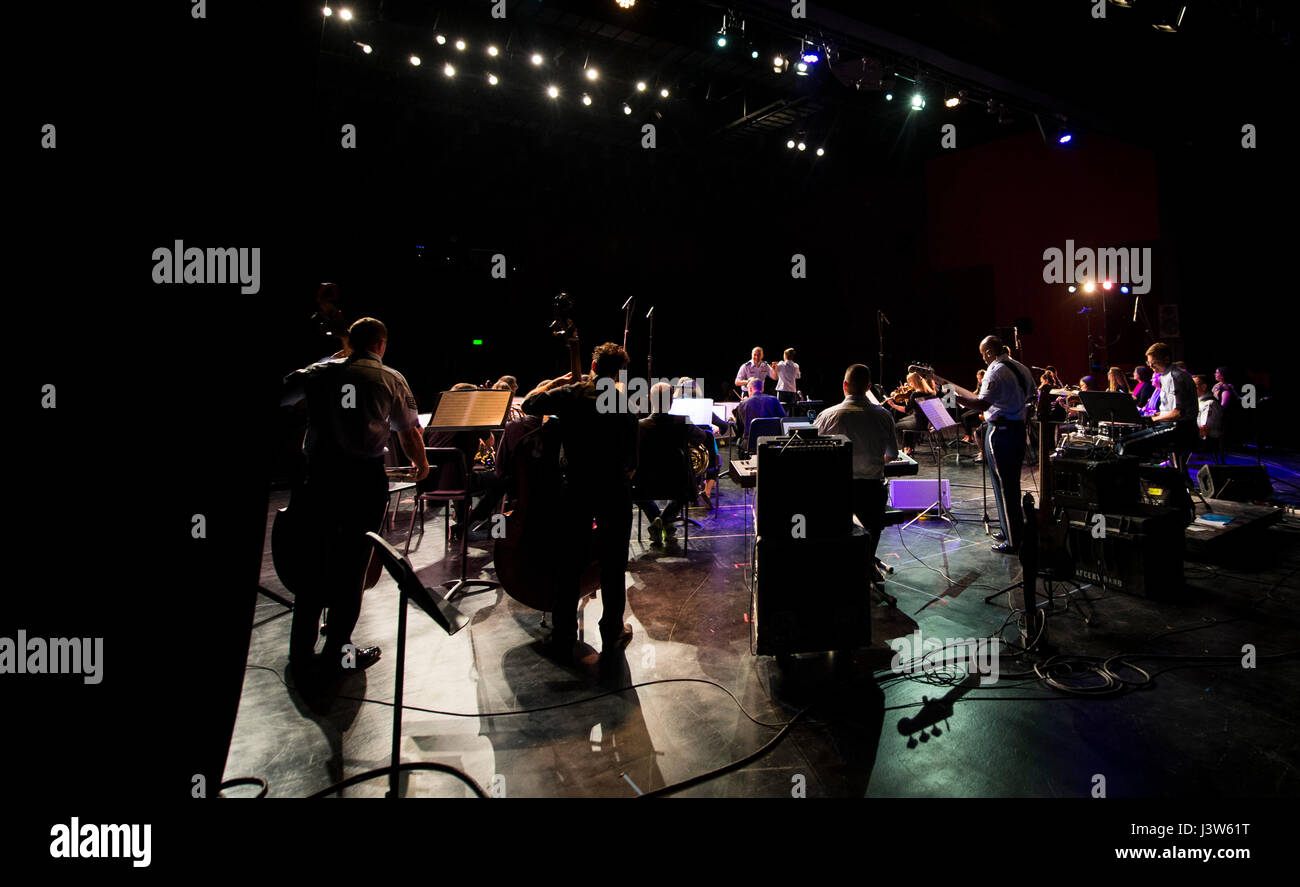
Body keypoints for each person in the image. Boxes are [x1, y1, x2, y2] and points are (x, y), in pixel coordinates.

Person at [281, 317, 430, 686]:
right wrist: (421, 464)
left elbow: (283, 395)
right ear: (380, 343)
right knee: (353, 565)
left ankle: (300, 651)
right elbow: (408, 431)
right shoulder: (390, 378)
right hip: (361, 480)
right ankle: (338, 652)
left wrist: (323, 366)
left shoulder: (320, 371)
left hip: (317, 478)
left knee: (313, 559)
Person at [521, 343, 639, 664]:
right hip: (614, 489)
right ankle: (612, 629)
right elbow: (631, 460)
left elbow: (530, 403)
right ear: (617, 373)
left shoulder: (571, 393)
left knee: (569, 561)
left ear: (593, 364)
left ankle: (563, 635)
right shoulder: (622, 402)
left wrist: (554, 384)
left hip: (576, 488)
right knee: (614, 563)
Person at [947, 336, 1035, 553]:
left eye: (982, 354)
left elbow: (981, 404)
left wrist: (955, 396)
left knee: (1006, 488)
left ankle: (1014, 540)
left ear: (988, 352)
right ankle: (1008, 529)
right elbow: (1033, 395)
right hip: (1016, 429)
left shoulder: (995, 371)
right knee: (1005, 484)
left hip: (1001, 432)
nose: (983, 358)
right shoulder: (1020, 367)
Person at [813, 364, 897, 580]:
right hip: (872, 490)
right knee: (872, 528)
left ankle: (840, 569)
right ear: (869, 386)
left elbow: (815, 456)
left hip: (838, 491)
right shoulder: (884, 416)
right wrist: (873, 461)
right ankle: (867, 563)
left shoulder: (827, 416)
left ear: (844, 386)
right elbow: (892, 454)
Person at [423, 383, 504, 537]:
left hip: (432, 484)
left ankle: (462, 522)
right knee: (503, 478)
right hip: (461, 482)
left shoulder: (434, 422)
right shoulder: (472, 419)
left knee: (459, 473)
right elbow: (491, 442)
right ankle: (471, 522)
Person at [635, 383, 709, 545]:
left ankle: (658, 522)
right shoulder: (683, 422)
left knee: (636, 491)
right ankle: (664, 522)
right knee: (688, 487)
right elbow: (702, 437)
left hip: (646, 485)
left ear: (650, 401)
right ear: (671, 402)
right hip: (678, 485)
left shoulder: (639, 426)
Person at [1144, 342, 1199, 477]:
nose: (1151, 367)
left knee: (1129, 444)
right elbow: (1169, 409)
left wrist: (1153, 419)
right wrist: (1155, 415)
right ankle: (1177, 483)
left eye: (1154, 363)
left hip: (1181, 429)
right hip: (1177, 426)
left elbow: (1177, 413)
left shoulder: (1175, 376)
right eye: (1149, 363)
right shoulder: (1166, 376)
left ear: (1166, 359)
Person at [885, 371, 936, 454]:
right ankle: (910, 447)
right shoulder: (929, 392)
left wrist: (893, 405)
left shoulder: (915, 394)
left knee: (896, 426)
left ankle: (905, 447)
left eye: (910, 382)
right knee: (902, 421)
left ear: (914, 382)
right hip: (928, 421)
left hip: (920, 422)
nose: (909, 385)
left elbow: (906, 410)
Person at [733, 378, 786, 455]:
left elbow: (739, 429)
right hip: (772, 443)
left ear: (750, 389)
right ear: (762, 388)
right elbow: (784, 420)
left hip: (751, 445)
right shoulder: (774, 400)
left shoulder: (743, 404)